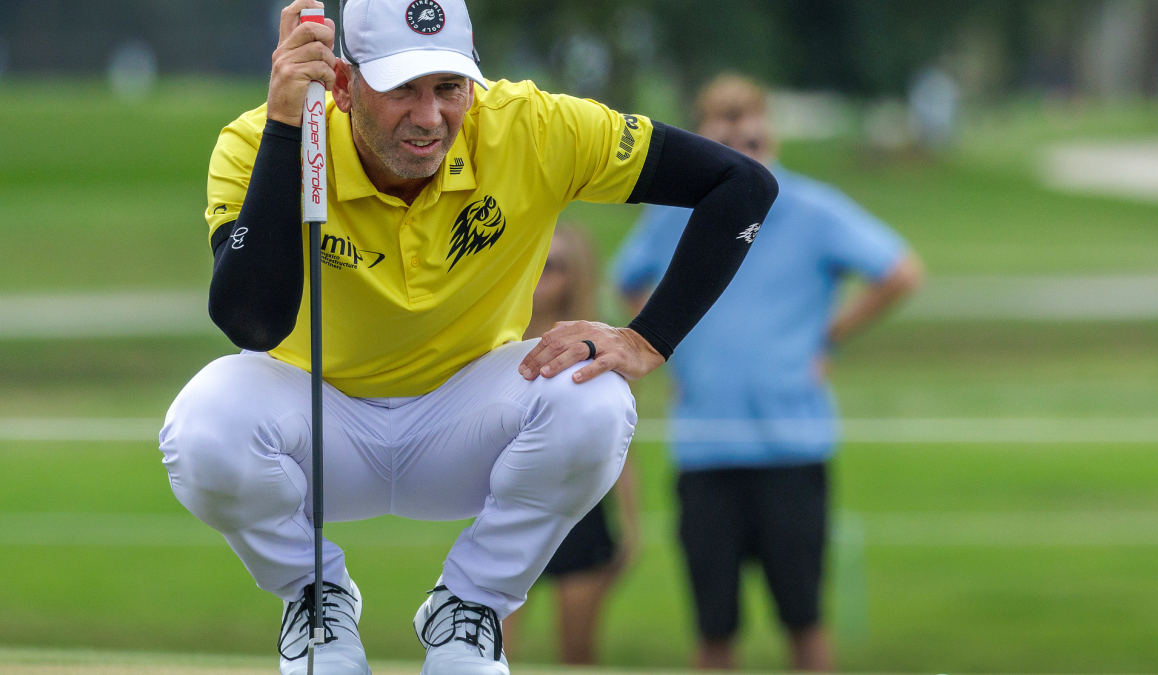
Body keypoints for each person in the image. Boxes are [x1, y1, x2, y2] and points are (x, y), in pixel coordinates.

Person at [158, 1, 778, 673]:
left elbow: (740, 184)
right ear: (342, 85)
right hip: (315, 429)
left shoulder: (533, 128)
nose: (430, 117)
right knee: (202, 424)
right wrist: (287, 130)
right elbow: (251, 322)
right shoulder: (259, 140)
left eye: (449, 87)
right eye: (402, 89)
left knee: (594, 400)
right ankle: (317, 598)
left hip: (466, 426)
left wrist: (649, 338)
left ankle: (470, 607)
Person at [612, 74, 924, 672]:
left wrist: (827, 337)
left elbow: (901, 272)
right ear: (703, 138)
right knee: (712, 632)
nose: (743, 142)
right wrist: (659, 344)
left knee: (804, 621)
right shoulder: (674, 215)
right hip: (704, 449)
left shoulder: (812, 208)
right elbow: (627, 281)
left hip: (792, 445)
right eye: (725, 129)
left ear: (769, 131)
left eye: (752, 127)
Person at [500, 225, 641, 666]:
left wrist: (632, 526)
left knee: (578, 651)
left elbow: (620, 444)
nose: (544, 276)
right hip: (509, 503)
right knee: (488, 649)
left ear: (575, 274)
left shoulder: (598, 346)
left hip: (581, 507)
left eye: (555, 266)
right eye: (536, 264)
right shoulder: (497, 339)